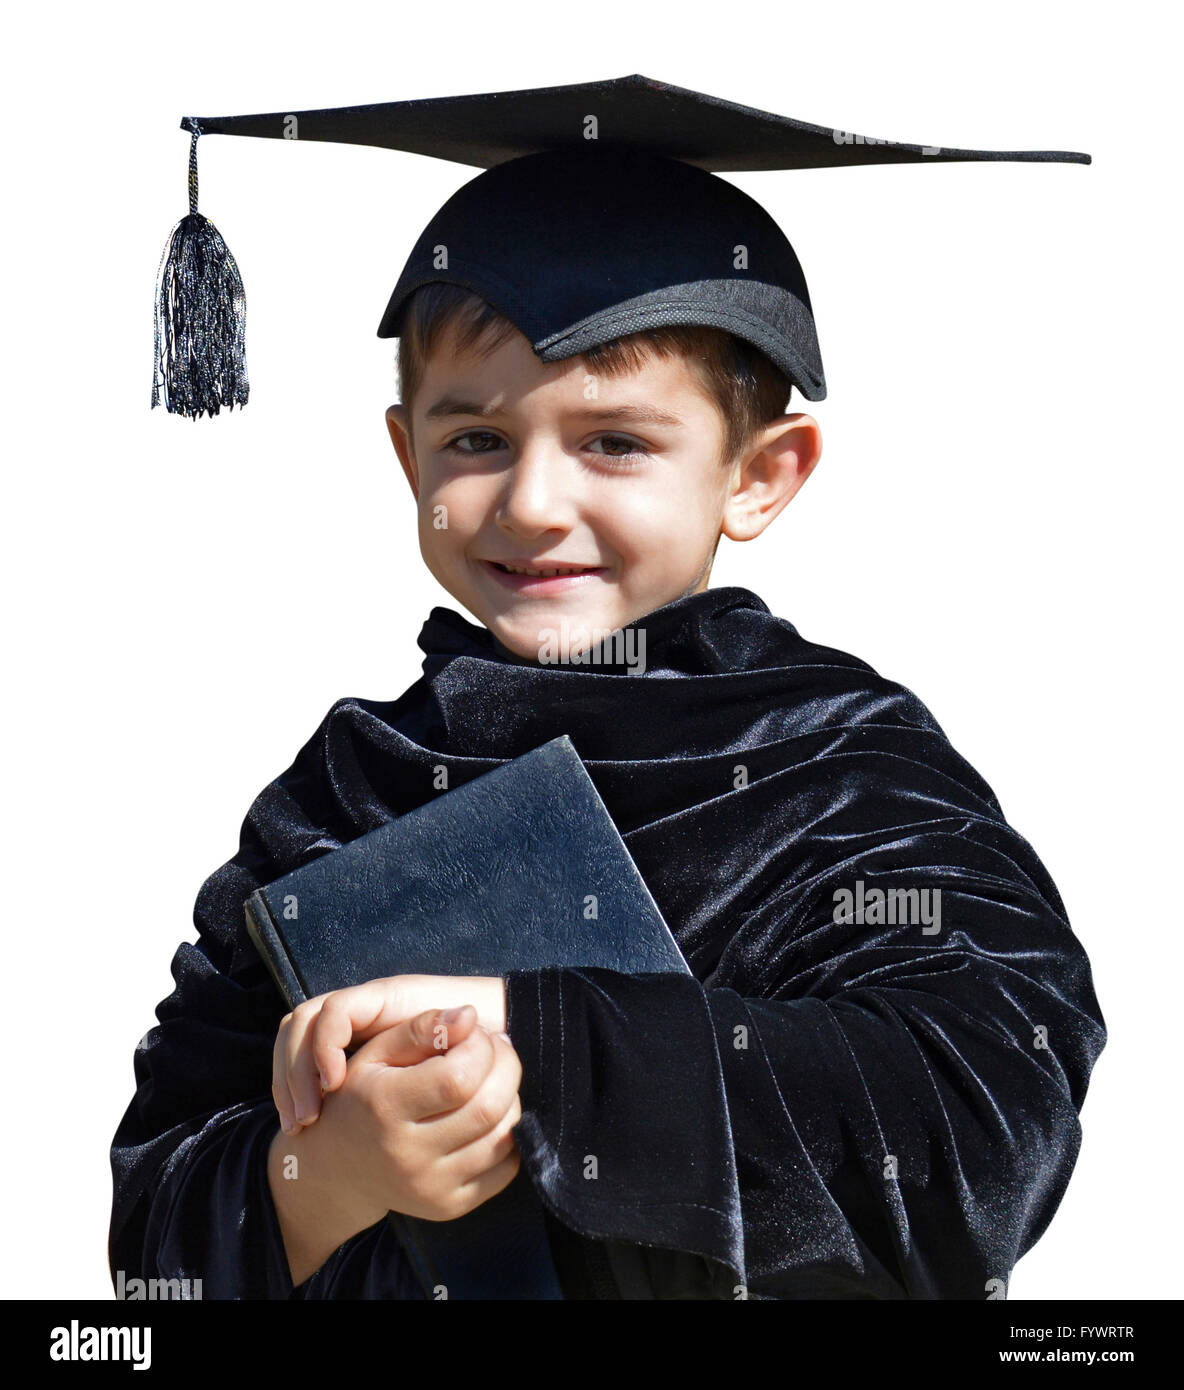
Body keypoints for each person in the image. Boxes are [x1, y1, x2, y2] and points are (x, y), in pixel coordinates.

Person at [112, 76, 1106, 1300]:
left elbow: (984, 1108)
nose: (530, 503)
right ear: (403, 451)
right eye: (473, 437)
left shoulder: (835, 767)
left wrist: (539, 1046)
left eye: (615, 443)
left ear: (759, 474)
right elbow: (156, 1238)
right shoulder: (344, 797)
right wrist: (332, 1172)